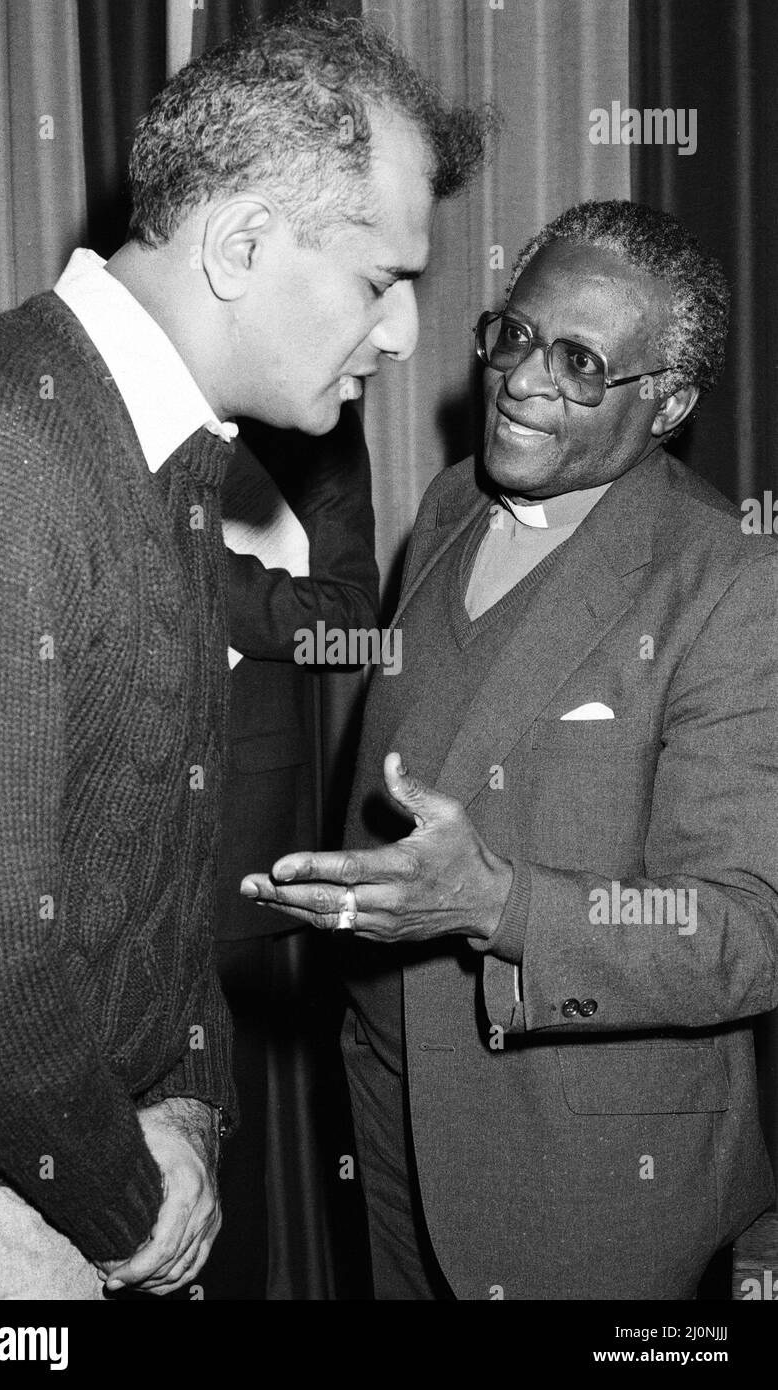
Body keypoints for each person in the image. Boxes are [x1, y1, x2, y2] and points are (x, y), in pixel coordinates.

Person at [0, 10, 487, 1299]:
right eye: (380, 280)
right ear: (240, 245)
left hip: (68, 1179)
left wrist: (186, 1107)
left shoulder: (168, 467)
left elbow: (162, 871)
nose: (403, 336)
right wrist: (130, 1199)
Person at [242, 199, 778, 1300]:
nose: (524, 380)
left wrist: (499, 906)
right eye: (516, 335)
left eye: (582, 363)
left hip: (578, 1175)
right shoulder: (452, 502)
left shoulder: (731, 585)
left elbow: (749, 929)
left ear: (667, 402)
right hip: (389, 1109)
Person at [199, 405, 379, 1300]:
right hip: (72, 836)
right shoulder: (95, 391)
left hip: (232, 844)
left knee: (217, 1148)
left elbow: (350, 622)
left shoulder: (317, 422)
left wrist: (194, 573)